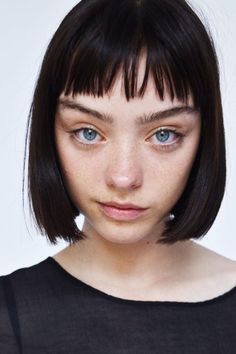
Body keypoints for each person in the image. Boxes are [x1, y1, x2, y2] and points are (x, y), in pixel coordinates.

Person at [1, 0, 236, 352]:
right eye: (88, 133)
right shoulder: (9, 316)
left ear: (205, 137)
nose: (124, 177)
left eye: (164, 134)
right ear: (50, 133)